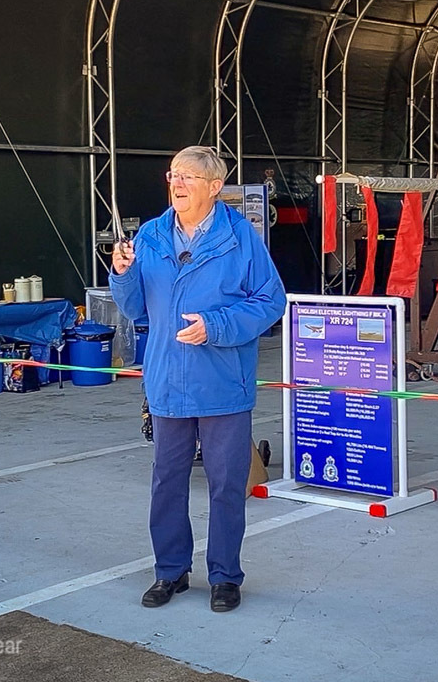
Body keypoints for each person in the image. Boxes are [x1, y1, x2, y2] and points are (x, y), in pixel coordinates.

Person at [110, 145, 286, 613]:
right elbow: (134, 309)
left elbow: (270, 302)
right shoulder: (149, 235)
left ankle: (226, 577)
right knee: (167, 480)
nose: (178, 183)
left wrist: (218, 326)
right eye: (173, 174)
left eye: (189, 176)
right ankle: (170, 572)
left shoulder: (241, 237)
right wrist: (122, 274)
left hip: (222, 380)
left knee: (227, 483)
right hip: (167, 379)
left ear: (214, 187)